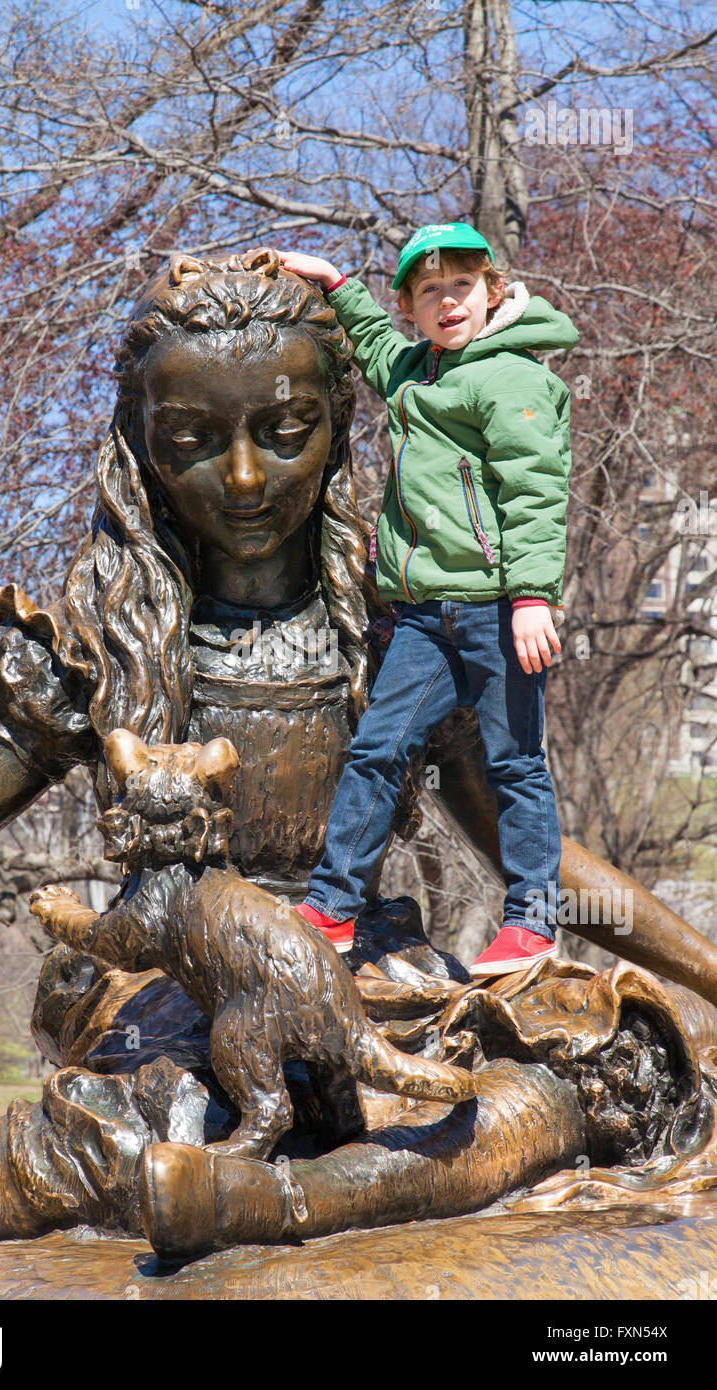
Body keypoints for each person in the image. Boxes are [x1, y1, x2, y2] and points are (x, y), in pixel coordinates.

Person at [277, 224, 578, 975]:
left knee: (515, 764)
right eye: (429, 292)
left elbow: (537, 494)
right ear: (410, 306)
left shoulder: (512, 379)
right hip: (422, 615)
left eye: (462, 288)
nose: (448, 303)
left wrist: (534, 597)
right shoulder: (418, 371)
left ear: (492, 294)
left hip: (497, 610)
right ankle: (333, 908)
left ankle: (533, 925)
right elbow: (376, 347)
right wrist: (335, 283)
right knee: (379, 749)